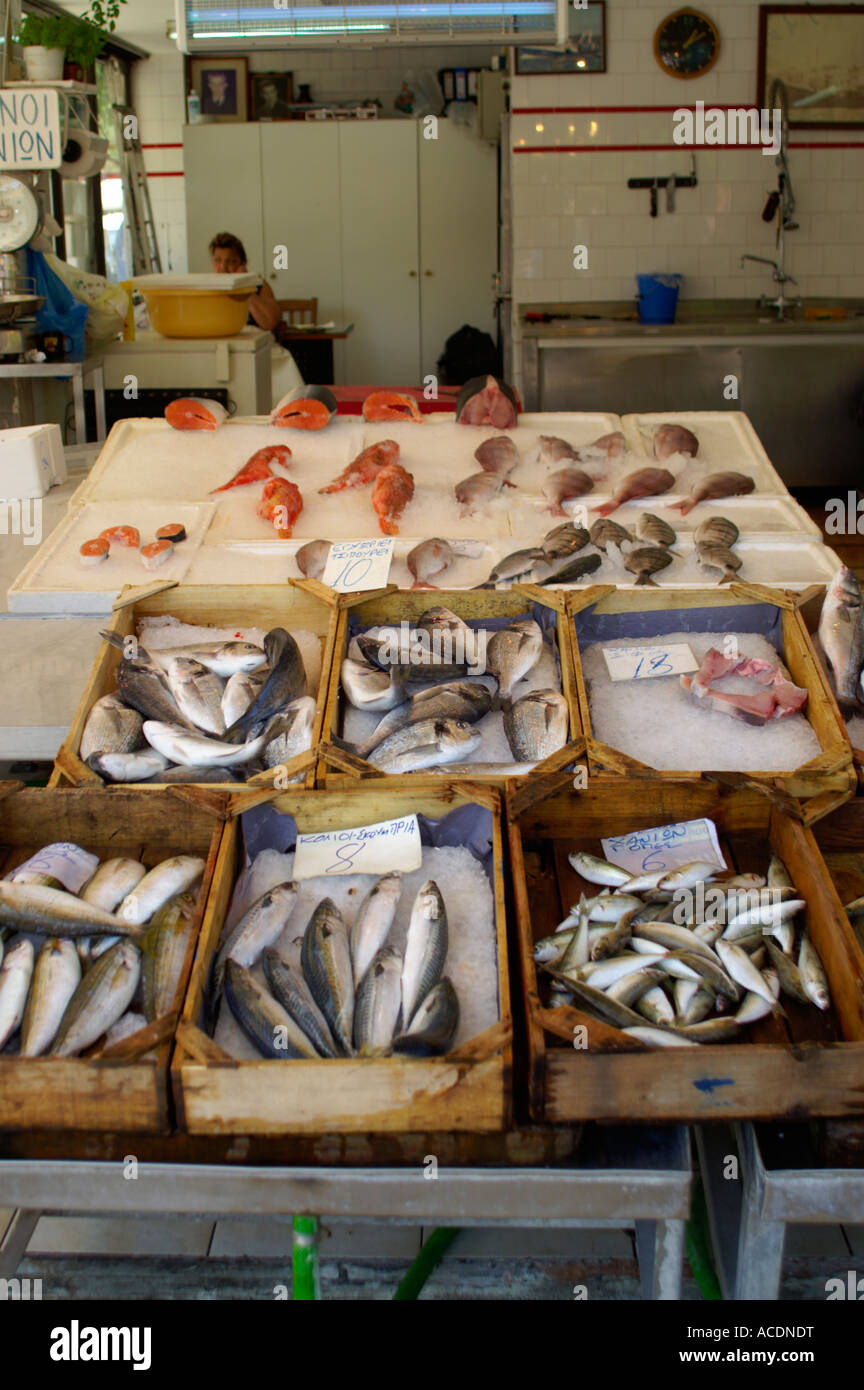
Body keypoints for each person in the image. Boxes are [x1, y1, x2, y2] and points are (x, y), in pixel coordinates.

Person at [209, 232, 282, 333]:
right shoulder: (207, 287)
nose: (223, 267)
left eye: (230, 261)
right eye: (217, 260)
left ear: (242, 263)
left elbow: (271, 323)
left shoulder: (258, 284)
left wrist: (244, 286)